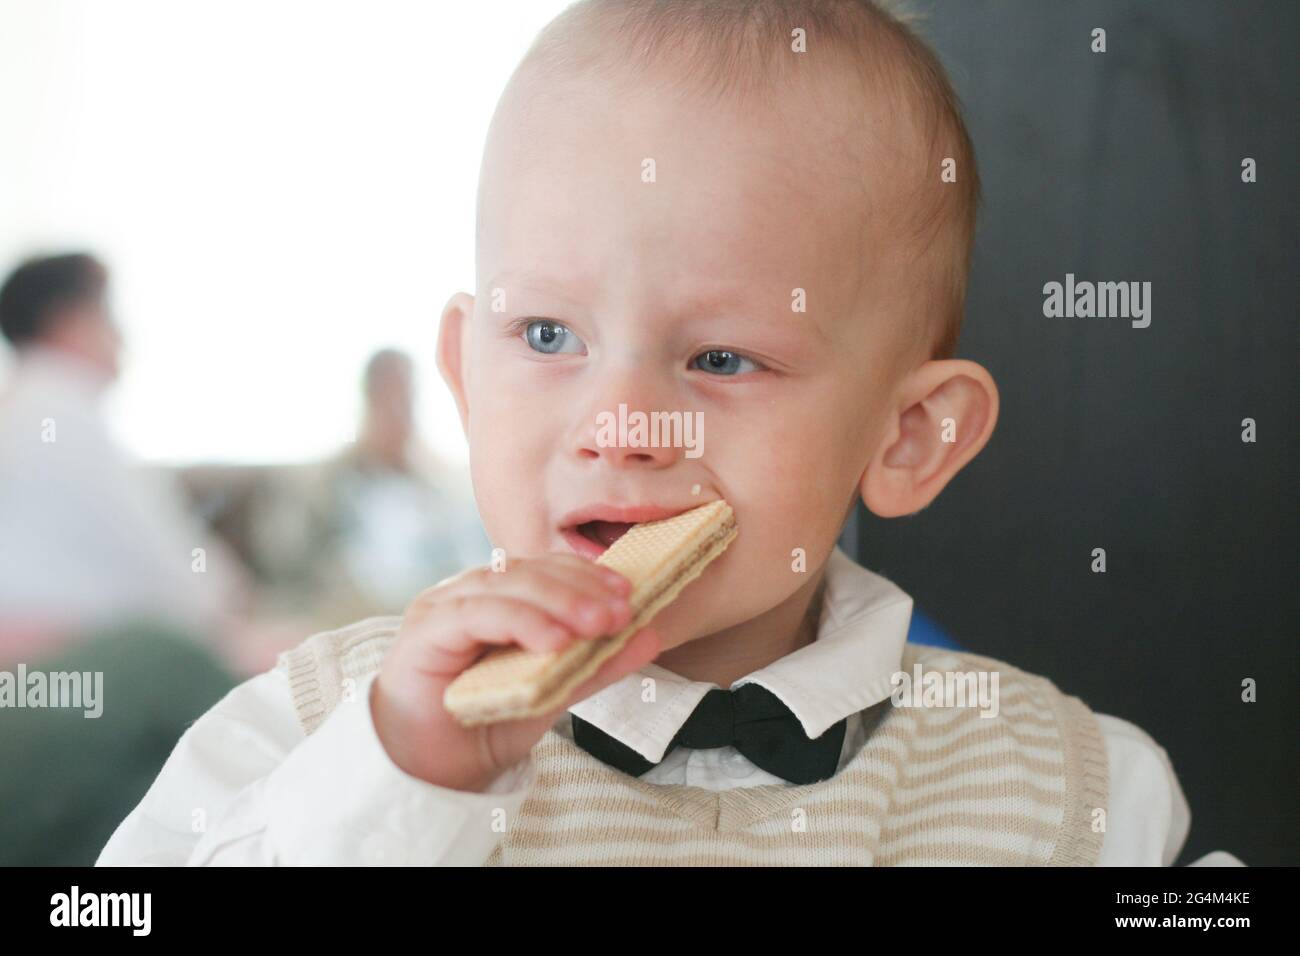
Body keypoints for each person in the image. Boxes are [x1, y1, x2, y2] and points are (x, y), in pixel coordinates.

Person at [98, 0, 1242, 866]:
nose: (621, 423)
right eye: (548, 335)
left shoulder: (1074, 785)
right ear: (462, 372)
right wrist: (397, 780)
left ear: (906, 437)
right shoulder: (325, 721)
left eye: (721, 358)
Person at [0, 253, 249, 657]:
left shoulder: (27, 403)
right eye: (107, 313)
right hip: (53, 664)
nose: (121, 336)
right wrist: (233, 601)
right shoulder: (60, 409)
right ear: (67, 322)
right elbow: (160, 557)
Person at [240, 348, 490, 641]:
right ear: (368, 399)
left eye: (406, 397)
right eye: (387, 397)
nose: (399, 412)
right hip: (350, 618)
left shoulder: (438, 488)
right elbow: (286, 563)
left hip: (431, 614)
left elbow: (464, 557)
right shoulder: (319, 487)